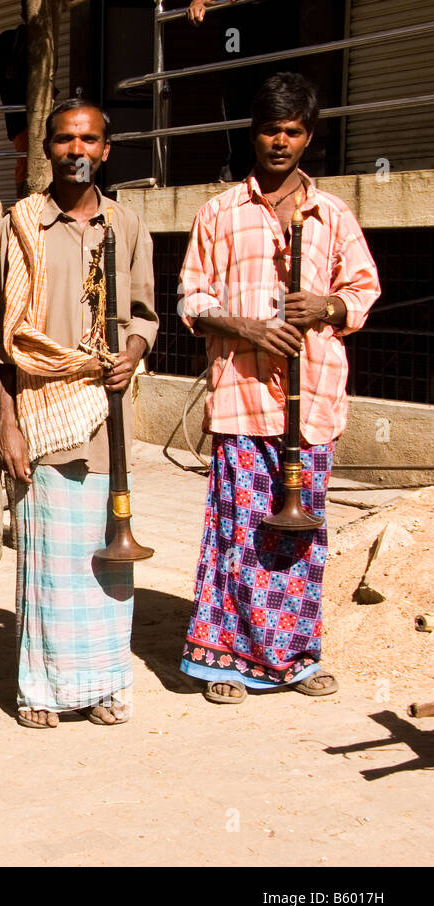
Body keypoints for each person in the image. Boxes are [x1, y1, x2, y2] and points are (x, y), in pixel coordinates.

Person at [176, 72, 380, 704]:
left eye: (292, 131)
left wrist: (323, 306)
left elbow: (364, 293)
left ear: (309, 137)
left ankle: (295, 657)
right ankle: (228, 660)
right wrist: (247, 329)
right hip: (240, 399)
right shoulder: (219, 212)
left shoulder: (333, 215)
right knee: (239, 531)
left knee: (300, 535)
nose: (280, 142)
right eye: (270, 129)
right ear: (253, 132)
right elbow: (190, 299)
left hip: (311, 404)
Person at [0, 99, 158, 730]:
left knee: (109, 557)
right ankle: (44, 689)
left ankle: (109, 683)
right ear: (48, 149)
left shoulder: (127, 225)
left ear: (106, 149)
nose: (76, 150)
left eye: (89, 139)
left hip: (106, 418)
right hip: (40, 413)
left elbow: (143, 315)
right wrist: (6, 422)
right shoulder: (20, 226)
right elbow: (2, 338)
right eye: (63, 140)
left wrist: (132, 352)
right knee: (48, 562)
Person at [0, 11, 29, 194]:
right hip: (18, 113)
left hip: (40, 113)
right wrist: (10, 55)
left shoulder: (42, 41)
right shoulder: (10, 39)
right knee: (24, 159)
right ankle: (24, 201)